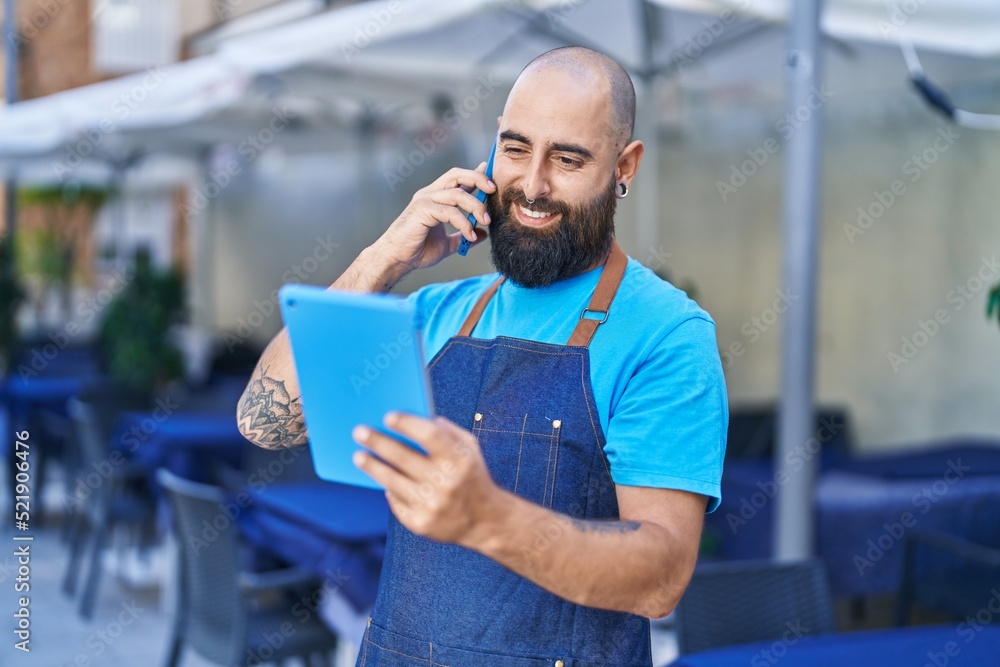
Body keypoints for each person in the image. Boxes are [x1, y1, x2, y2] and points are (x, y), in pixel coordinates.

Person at [237, 46, 727, 667]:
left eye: (568, 158)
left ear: (624, 166)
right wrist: (384, 258)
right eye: (517, 149)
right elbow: (262, 421)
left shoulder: (665, 333)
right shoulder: (434, 311)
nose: (533, 185)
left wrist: (488, 518)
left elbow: (660, 579)